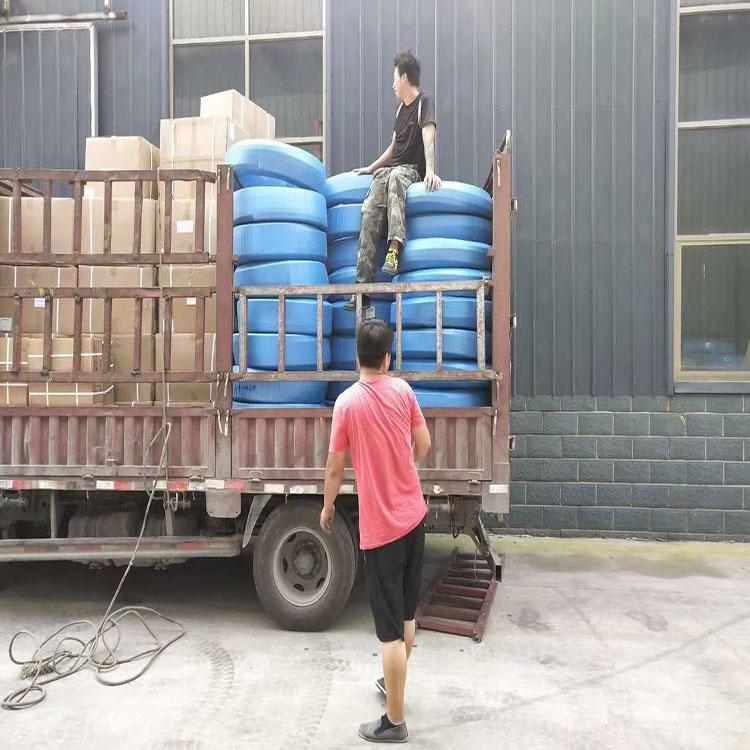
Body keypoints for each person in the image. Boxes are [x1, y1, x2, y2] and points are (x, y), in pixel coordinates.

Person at [321, 319, 432, 744]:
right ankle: (394, 681)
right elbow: (424, 445)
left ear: (358, 357)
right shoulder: (403, 392)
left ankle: (395, 721)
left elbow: (335, 467)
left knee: (388, 632)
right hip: (415, 518)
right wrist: (402, 464)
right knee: (406, 616)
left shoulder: (347, 404)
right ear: (387, 358)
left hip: (382, 531)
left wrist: (328, 507)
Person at [344, 51, 441, 311]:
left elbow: (429, 136)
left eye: (394, 78)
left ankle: (394, 250)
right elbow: (393, 147)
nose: (392, 85)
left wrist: (431, 171)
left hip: (411, 171)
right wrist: (371, 168)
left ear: (404, 77)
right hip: (392, 170)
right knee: (370, 206)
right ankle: (362, 289)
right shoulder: (400, 110)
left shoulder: (424, 102)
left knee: (396, 176)